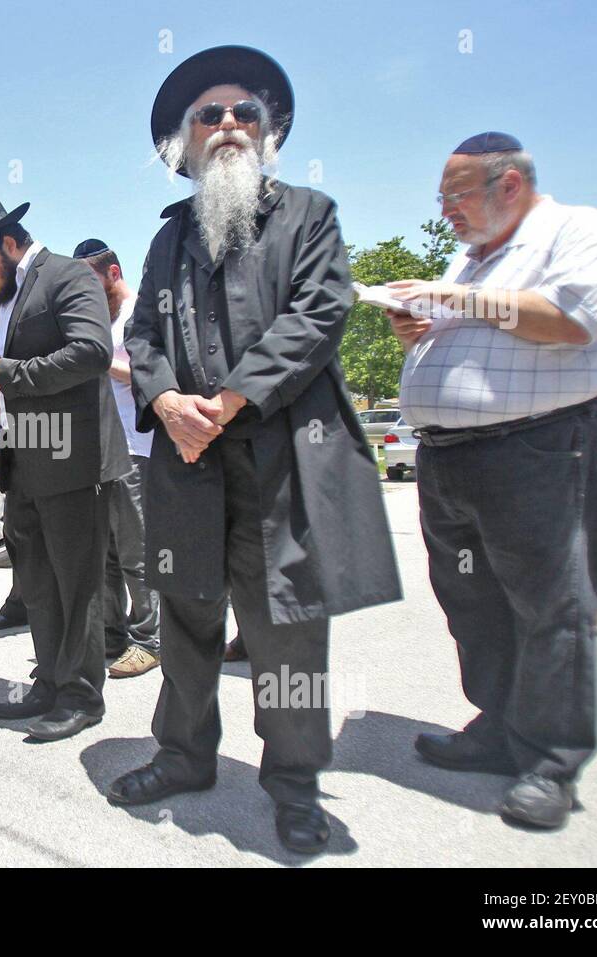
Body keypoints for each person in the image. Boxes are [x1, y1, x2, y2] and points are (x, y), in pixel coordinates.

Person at [115, 47, 401, 855]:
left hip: (284, 461)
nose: (230, 124)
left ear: (269, 130)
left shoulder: (310, 214)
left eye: (245, 112)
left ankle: (295, 784)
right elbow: (140, 334)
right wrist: (168, 400)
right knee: (186, 622)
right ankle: (182, 755)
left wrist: (231, 398)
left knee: (287, 633)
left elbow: (318, 312)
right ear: (186, 141)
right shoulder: (168, 241)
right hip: (189, 461)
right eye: (210, 115)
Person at [386, 132, 597, 830]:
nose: (447, 213)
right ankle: (498, 727)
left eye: (456, 196)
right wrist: (421, 327)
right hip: (451, 456)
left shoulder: (576, 230)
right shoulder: (470, 262)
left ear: (510, 186)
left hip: (538, 450)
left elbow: (574, 321)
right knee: (474, 601)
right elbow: (473, 325)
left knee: (551, 607)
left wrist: (456, 301)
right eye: (442, 200)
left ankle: (552, 761)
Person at [0, 196, 131, 741]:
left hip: (74, 461)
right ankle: (49, 683)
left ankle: (81, 696)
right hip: (24, 457)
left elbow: (92, 352)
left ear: (9, 244)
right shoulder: (6, 296)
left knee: (78, 583)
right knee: (38, 582)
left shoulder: (68, 275)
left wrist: (7, 373)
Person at [73, 238, 162, 678]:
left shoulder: (142, 313)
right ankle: (111, 634)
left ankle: (150, 639)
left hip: (136, 448)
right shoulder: (96, 318)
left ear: (113, 272)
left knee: (136, 549)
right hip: (97, 450)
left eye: (91, 283)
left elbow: (155, 377)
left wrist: (99, 359)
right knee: (101, 551)